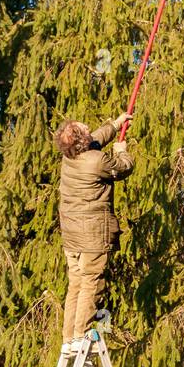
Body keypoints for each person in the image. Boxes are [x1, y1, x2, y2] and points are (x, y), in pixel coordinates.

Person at [53, 111, 134, 353]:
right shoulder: (96, 161)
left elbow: (95, 139)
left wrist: (115, 124)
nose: (89, 129)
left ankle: (69, 337)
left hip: (73, 236)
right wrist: (121, 149)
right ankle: (82, 332)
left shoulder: (71, 158)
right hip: (92, 236)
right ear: (81, 141)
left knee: (76, 283)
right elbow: (123, 168)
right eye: (84, 129)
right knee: (91, 282)